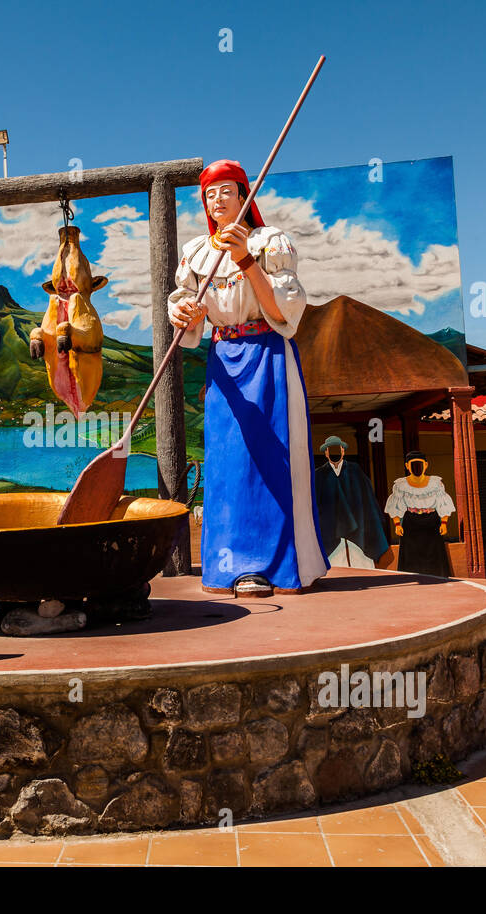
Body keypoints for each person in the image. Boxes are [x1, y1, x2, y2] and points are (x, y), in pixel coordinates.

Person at [168, 159, 329, 597]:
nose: (217, 200)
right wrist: (185, 313)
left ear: (244, 196)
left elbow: (283, 314)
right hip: (223, 359)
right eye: (209, 194)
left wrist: (244, 260)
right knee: (227, 464)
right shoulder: (198, 252)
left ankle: (274, 566)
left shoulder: (268, 242)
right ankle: (227, 566)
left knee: (271, 458)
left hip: (268, 356)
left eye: (226, 190)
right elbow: (189, 322)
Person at [315, 435, 389, 568]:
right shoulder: (319, 475)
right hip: (329, 530)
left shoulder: (355, 471)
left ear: (343, 450)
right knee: (334, 567)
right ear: (326, 453)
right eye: (331, 450)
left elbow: (367, 499)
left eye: (337, 449)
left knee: (361, 565)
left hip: (358, 530)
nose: (334, 453)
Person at [384, 450, 455, 578]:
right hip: (411, 522)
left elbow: (443, 503)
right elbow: (396, 506)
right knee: (411, 553)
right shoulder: (401, 485)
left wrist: (444, 523)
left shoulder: (435, 484)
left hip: (432, 521)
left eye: (419, 464)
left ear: (426, 465)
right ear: (407, 466)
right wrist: (397, 524)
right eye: (413, 464)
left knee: (435, 553)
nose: (417, 467)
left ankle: (438, 579)